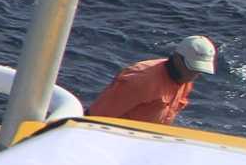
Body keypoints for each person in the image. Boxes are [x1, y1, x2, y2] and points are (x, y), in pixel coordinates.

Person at [86, 33, 217, 125]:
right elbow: (93, 118)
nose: (195, 74)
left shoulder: (185, 79)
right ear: (177, 58)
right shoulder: (139, 80)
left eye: (200, 70)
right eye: (192, 67)